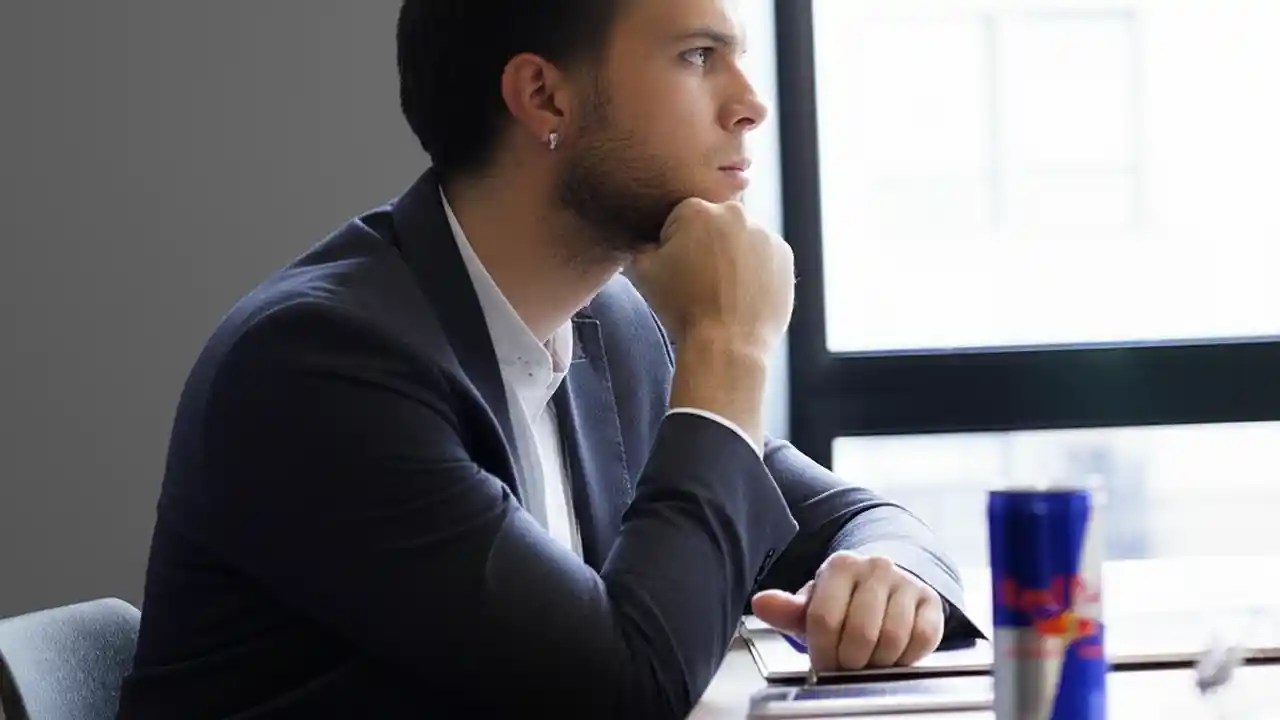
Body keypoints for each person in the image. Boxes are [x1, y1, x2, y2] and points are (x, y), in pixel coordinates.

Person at [116, 0, 983, 717]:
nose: (750, 102)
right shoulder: (318, 367)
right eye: (697, 55)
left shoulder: (609, 328)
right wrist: (728, 346)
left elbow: (850, 517)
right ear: (544, 98)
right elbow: (620, 695)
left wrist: (891, 575)